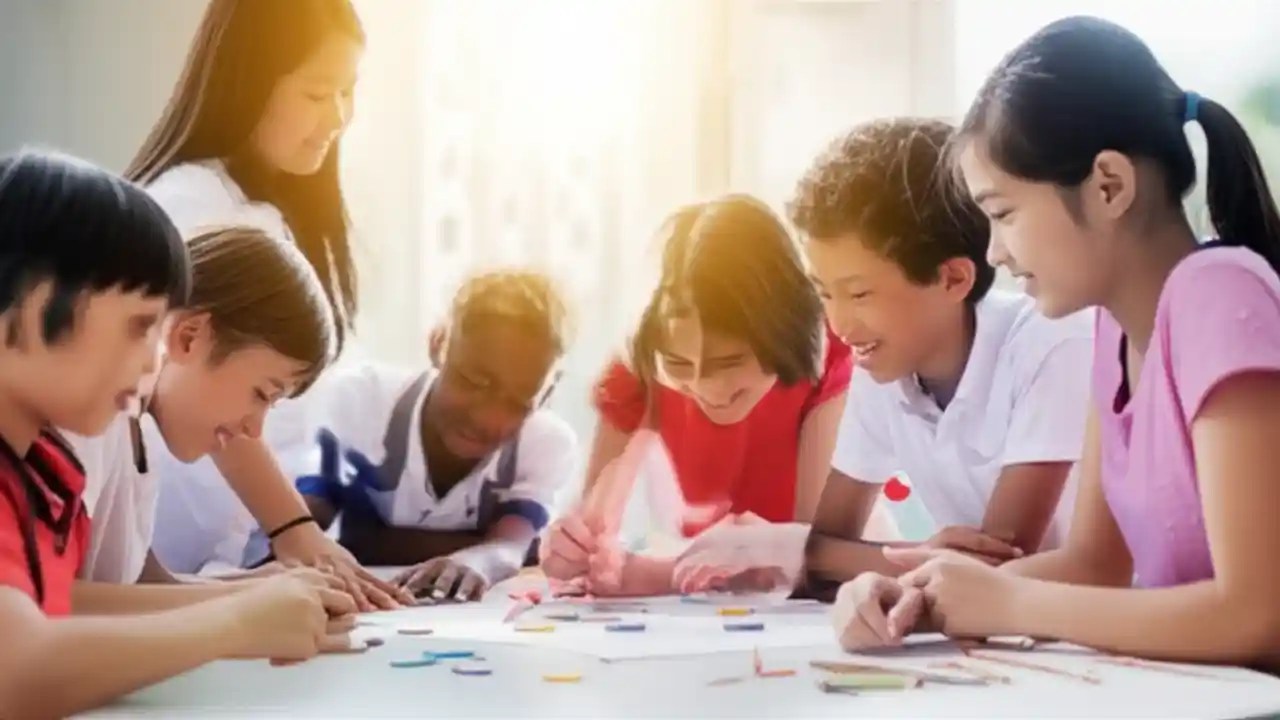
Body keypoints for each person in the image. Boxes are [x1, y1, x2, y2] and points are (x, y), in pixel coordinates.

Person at [833, 16, 1280, 670]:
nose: (994, 252)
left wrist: (1010, 604)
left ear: (1108, 186)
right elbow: (1093, 564)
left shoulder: (1219, 295)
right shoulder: (1112, 332)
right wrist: (918, 597)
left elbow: (1258, 615)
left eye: (1003, 213)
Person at [0, 151, 351, 719]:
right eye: (139, 327)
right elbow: (22, 660)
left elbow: (101, 590)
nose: (152, 360)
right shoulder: (69, 447)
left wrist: (253, 599)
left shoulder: (50, 470)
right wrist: (234, 621)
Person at [123, 0, 408, 608]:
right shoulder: (190, 202)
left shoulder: (263, 209)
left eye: (348, 91)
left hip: (202, 562)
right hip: (164, 555)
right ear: (250, 83)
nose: (339, 116)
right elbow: (220, 388)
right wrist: (294, 530)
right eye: (317, 92)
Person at [541, 194, 857, 596]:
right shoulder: (640, 363)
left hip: (843, 552)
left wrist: (657, 574)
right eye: (677, 363)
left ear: (784, 336)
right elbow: (592, 531)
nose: (707, 388)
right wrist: (570, 551)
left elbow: (817, 555)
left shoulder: (831, 356)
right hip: (709, 572)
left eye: (729, 362)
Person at [281, 270, 576, 602]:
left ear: (547, 392)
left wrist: (479, 560)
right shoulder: (362, 401)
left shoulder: (546, 442)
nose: (487, 418)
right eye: (472, 381)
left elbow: (511, 547)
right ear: (438, 344)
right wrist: (483, 543)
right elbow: (300, 532)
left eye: (519, 402)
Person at [71, 225, 333, 591]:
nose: (254, 430)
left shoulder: (135, 434)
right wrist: (244, 604)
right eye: (261, 394)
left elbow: (140, 587)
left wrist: (257, 588)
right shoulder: (87, 418)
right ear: (189, 337)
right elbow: (39, 604)